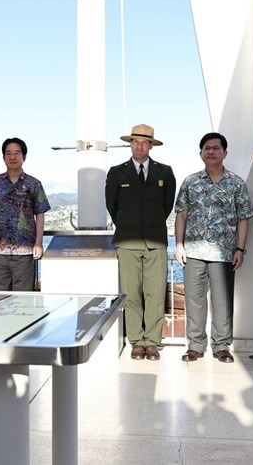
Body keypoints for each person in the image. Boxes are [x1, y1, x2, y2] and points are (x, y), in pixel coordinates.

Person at [174, 132, 252, 363]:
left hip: (224, 253)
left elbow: (243, 218)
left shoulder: (236, 183)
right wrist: (179, 245)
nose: (211, 151)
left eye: (216, 148)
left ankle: (221, 346)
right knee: (194, 301)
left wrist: (240, 249)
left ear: (225, 153)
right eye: (206, 148)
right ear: (201, 153)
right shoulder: (190, 182)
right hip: (194, 252)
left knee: (222, 302)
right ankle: (195, 345)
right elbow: (181, 215)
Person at [106, 124, 176, 361]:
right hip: (127, 241)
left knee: (155, 293)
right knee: (131, 293)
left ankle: (152, 342)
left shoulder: (165, 172)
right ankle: (136, 341)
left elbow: (167, 206)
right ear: (130, 144)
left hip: (155, 240)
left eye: (144, 142)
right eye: (135, 142)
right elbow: (112, 205)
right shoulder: (117, 172)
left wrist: (150, 224)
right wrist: (129, 225)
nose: (138, 146)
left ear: (151, 146)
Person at [0, 138, 50, 291]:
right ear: (3, 157)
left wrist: (38, 243)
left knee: (23, 298)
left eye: (17, 153)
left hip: (24, 251)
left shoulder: (34, 184)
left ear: (24, 157)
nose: (12, 157)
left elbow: (40, 213)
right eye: (8, 153)